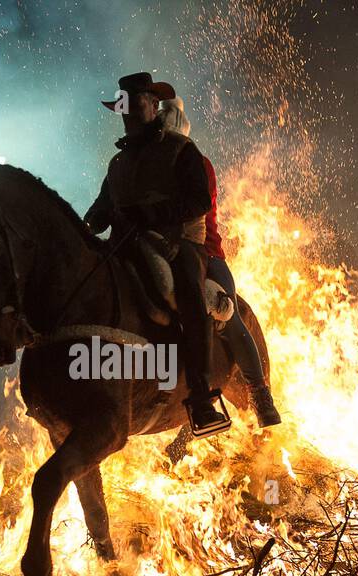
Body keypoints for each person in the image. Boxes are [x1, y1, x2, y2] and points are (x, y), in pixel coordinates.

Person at [84, 72, 226, 438]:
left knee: (189, 295)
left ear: (153, 104)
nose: (128, 114)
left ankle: (200, 396)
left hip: (176, 243)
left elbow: (197, 201)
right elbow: (103, 206)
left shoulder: (182, 150)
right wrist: (85, 225)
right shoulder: (118, 164)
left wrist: (150, 215)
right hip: (125, 244)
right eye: (123, 108)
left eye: (135, 105)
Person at [157, 95, 281, 427]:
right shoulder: (146, 164)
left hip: (203, 253)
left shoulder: (196, 163)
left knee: (227, 315)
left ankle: (259, 394)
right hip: (157, 250)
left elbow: (195, 209)